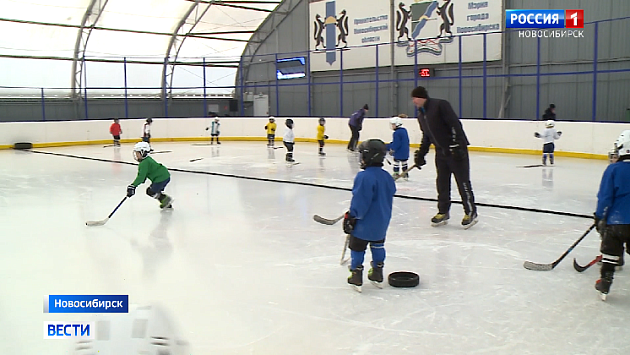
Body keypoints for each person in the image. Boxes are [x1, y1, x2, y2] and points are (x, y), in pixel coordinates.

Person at [411, 86, 478, 229]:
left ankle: (470, 212)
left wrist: (456, 145)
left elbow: (454, 124)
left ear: (422, 97)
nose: (413, 102)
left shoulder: (440, 105)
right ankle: (443, 212)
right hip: (441, 152)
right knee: (442, 183)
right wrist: (421, 155)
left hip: (456, 150)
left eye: (415, 98)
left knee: (462, 182)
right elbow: (427, 136)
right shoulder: (421, 115)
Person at [343, 139, 396, 292]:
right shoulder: (387, 176)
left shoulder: (364, 177)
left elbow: (360, 201)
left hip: (363, 224)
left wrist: (351, 217)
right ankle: (377, 273)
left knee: (357, 247)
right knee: (378, 246)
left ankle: (356, 274)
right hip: (382, 222)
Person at [593, 130, 630, 300]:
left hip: (616, 222)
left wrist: (599, 215)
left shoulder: (613, 169)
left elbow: (605, 197)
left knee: (610, 250)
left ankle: (605, 282)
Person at [126, 142, 173, 209]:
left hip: (161, 178)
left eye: (137, 153)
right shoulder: (147, 160)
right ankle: (165, 201)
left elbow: (141, 177)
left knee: (151, 191)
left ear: (143, 152)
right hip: (163, 176)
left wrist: (133, 185)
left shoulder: (144, 163)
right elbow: (144, 176)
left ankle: (165, 200)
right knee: (153, 190)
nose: (136, 155)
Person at [385, 116, 410, 180]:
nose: (392, 126)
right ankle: (405, 174)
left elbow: (397, 143)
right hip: (405, 150)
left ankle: (396, 173)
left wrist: (392, 149)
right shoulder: (404, 130)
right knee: (404, 162)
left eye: (393, 124)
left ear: (397, 124)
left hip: (399, 151)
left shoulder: (396, 133)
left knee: (396, 162)